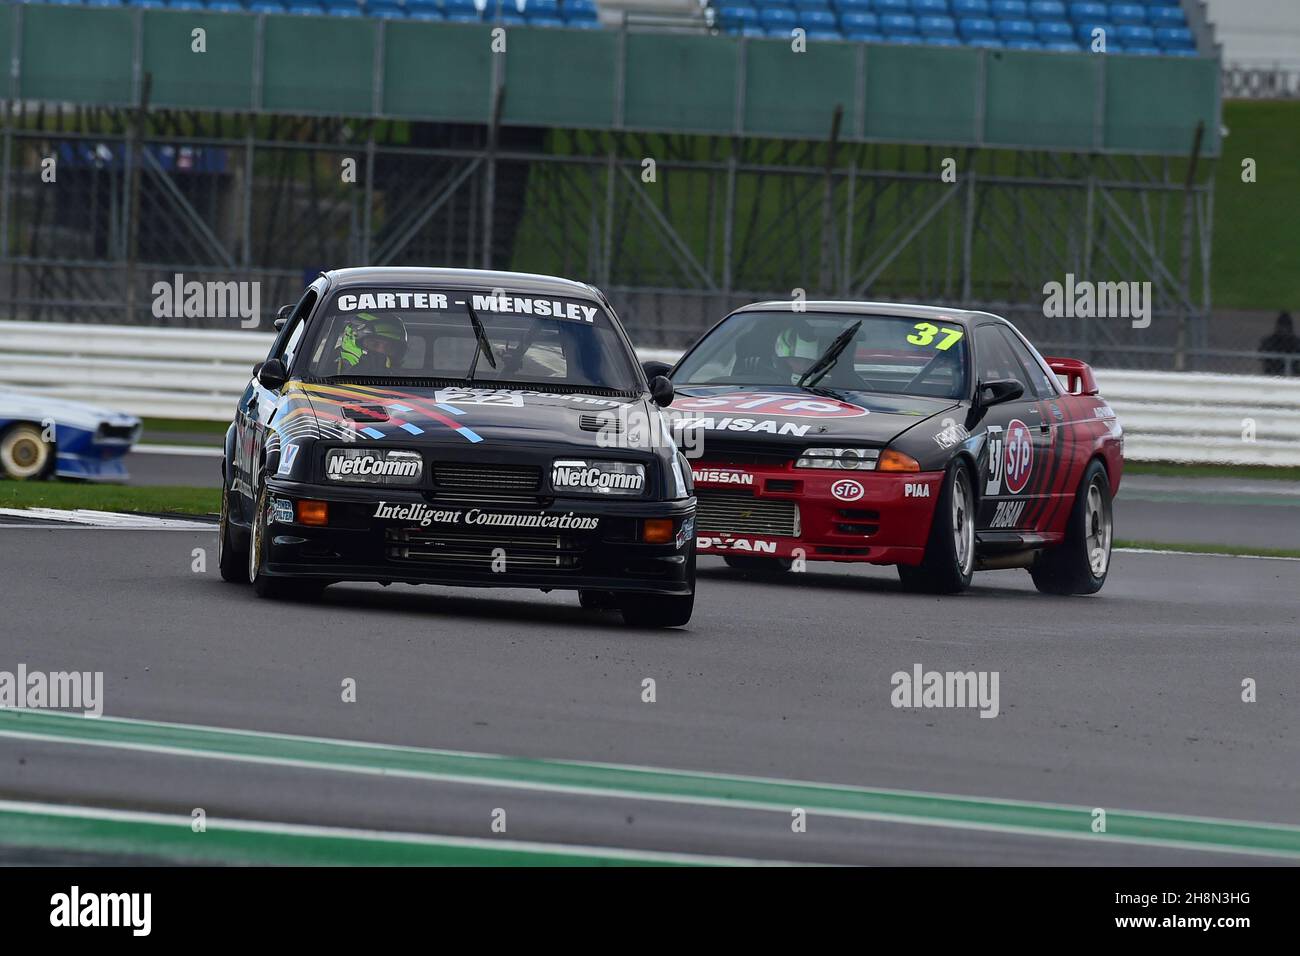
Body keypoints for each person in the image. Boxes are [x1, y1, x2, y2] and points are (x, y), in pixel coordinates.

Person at [335, 313, 408, 374]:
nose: (381, 352)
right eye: (374, 344)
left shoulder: (406, 384)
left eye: (389, 348)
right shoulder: (327, 373)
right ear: (351, 340)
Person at [1258, 311, 1300, 376]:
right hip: (1273, 371)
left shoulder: (1296, 342)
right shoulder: (1269, 341)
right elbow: (1260, 356)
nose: (1284, 329)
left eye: (1286, 326)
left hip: (1293, 372)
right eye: (1282, 326)